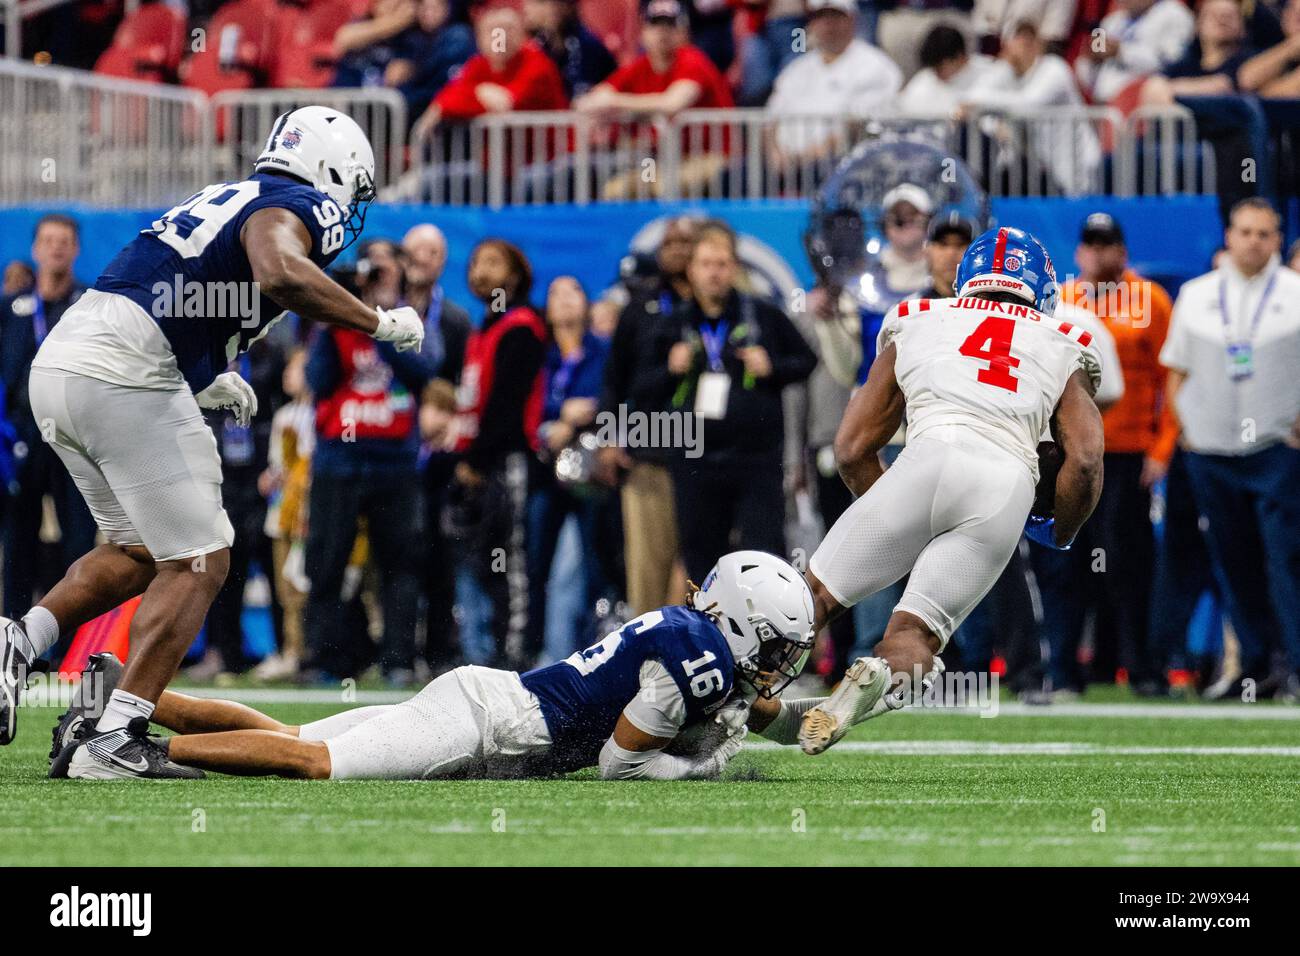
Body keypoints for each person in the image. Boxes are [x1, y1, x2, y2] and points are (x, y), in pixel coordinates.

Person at [0, 106, 427, 775]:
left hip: (64, 363)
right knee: (202, 559)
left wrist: (202, 379)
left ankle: (22, 640)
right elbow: (279, 271)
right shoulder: (298, 203)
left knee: (141, 550)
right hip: (123, 370)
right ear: (333, 169)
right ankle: (115, 736)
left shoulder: (228, 196)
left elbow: (170, 292)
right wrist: (375, 322)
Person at [52, 552, 816, 782]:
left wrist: (842, 710)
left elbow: (770, 719)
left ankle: (113, 702)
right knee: (316, 762)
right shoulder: (700, 657)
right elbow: (620, 764)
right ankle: (125, 749)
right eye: (777, 647)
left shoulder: (698, 641)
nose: (778, 666)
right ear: (743, 625)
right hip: (489, 722)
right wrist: (704, 772)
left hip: (490, 697)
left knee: (290, 729)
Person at [792, 227, 1106, 753]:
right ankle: (880, 670)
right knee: (915, 635)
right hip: (1004, 485)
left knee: (812, 601)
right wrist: (1062, 530)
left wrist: (895, 520)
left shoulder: (917, 319)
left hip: (924, 458)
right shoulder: (1063, 342)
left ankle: (718, 695)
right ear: (1042, 288)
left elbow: (850, 447)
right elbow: (1088, 459)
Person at [1159, 198, 1300, 699]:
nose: (1254, 241)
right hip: (1211, 452)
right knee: (1233, 561)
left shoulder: (1296, 293)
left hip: (1276, 450)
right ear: (1229, 235)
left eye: (1264, 234)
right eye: (1245, 231)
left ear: (1277, 240)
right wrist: (1187, 431)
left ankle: (1296, 667)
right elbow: (1175, 371)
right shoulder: (1196, 295)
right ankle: (1257, 667)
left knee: (1286, 560)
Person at [634, 221, 817, 584]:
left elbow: (807, 360)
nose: (714, 273)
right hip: (694, 462)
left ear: (734, 268)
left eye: (721, 264)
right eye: (705, 264)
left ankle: (765, 637)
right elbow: (640, 388)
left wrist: (773, 366)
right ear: (691, 269)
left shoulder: (763, 315)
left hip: (756, 462)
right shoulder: (671, 323)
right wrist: (670, 368)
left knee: (762, 558)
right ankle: (707, 637)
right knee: (701, 560)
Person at [304, 238, 441, 686]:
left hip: (395, 462)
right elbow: (316, 380)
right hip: (338, 460)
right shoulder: (335, 319)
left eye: (386, 269)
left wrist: (382, 322)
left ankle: (397, 660)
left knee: (400, 563)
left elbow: (424, 372)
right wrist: (336, 314)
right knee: (326, 563)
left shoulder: (411, 320)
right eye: (372, 269)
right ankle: (327, 660)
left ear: (400, 273)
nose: (378, 276)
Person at [1052, 212, 1175, 695]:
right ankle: (1064, 669)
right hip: (1068, 454)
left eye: (1108, 245)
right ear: (1080, 251)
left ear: (1122, 250)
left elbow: (1173, 381)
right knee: (1066, 559)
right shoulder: (1060, 302)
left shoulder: (1151, 301)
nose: (1099, 253)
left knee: (1127, 562)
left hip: (1124, 454)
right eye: (1091, 244)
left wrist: (1161, 448)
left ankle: (1138, 667)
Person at [450, 239, 547, 669]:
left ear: (514, 276)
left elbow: (507, 405)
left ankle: (516, 654)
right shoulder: (483, 328)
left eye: (492, 263)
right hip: (478, 459)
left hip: (507, 461)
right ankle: (483, 651)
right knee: (484, 560)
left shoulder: (522, 326)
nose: (480, 272)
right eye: (475, 263)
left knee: (513, 560)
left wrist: (477, 459)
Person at [598, 217, 700, 616]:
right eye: (669, 242)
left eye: (686, 242)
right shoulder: (640, 305)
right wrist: (609, 439)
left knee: (701, 565)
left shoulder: (727, 306)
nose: (677, 249)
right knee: (647, 569)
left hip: (711, 456)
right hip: (650, 451)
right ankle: (644, 657)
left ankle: (695, 655)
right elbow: (614, 379)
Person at [0, 214, 95, 622]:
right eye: (49, 241)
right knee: (18, 540)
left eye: (65, 241)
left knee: (79, 541)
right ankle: (14, 643)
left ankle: (76, 648)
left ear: (75, 249)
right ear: (36, 249)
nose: (57, 248)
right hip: (22, 434)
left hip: (74, 435)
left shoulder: (90, 306)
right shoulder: (11, 309)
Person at [525, 277, 611, 661]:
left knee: (587, 565)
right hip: (544, 475)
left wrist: (584, 415)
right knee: (539, 564)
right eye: (554, 293)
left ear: (586, 301)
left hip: (592, 477)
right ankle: (542, 649)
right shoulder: (538, 354)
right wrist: (557, 416)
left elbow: (615, 400)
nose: (564, 301)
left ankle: (582, 651)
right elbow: (522, 407)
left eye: (573, 291)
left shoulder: (603, 352)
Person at [963, 20, 1101, 196]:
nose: (1025, 45)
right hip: (1042, 173)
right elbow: (971, 97)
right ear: (1006, 46)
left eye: (1030, 39)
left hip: (1075, 167)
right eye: (1018, 40)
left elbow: (1028, 105)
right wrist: (1004, 67)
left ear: (1039, 43)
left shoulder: (1055, 69)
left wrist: (983, 104)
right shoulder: (1009, 75)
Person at [765, 0, 902, 166]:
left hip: (842, 166)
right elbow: (769, 120)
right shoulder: (796, 69)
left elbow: (860, 123)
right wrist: (775, 154)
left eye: (835, 16)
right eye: (821, 17)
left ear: (852, 19)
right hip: (786, 169)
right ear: (811, 23)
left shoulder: (876, 65)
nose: (828, 23)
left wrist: (820, 152)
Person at [416, 6, 568, 131]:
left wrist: (475, 92)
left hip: (546, 159)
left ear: (523, 33)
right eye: (493, 30)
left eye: (508, 29)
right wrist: (480, 91)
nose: (501, 37)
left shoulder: (537, 63)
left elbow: (504, 104)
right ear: (479, 37)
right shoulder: (479, 64)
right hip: (500, 161)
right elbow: (443, 101)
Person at [1074, 0, 1194, 103]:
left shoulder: (1175, 14)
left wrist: (1121, 52)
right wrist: (1091, 60)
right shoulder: (1112, 21)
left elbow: (1172, 65)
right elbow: (1089, 79)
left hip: (1144, 107)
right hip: (1104, 106)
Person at [1141, 0, 1255, 105]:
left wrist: (1171, 89)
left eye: (1229, 16)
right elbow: (1155, 83)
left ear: (1242, 27)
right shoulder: (1187, 64)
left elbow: (1223, 85)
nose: (1222, 21)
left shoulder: (1249, 61)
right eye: (1214, 16)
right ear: (1198, 25)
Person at [383, 0, 477, 118]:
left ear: (448, 8)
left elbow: (444, 83)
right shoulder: (412, 39)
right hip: (416, 112)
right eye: (424, 7)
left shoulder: (458, 36)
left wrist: (412, 70)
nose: (429, 12)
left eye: (436, 6)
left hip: (445, 115)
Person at [523, 0, 617, 99]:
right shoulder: (540, 42)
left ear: (558, 7)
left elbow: (580, 94)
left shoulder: (585, 45)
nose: (526, 8)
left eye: (535, 3)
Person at [899, 23, 997, 115]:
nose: (937, 74)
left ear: (959, 57)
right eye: (934, 68)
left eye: (940, 68)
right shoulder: (925, 79)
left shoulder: (989, 73)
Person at [1239, 0, 1300, 97]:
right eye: (1292, 10)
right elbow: (1247, 80)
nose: (1295, 17)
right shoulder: (1266, 45)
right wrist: (1291, 47)